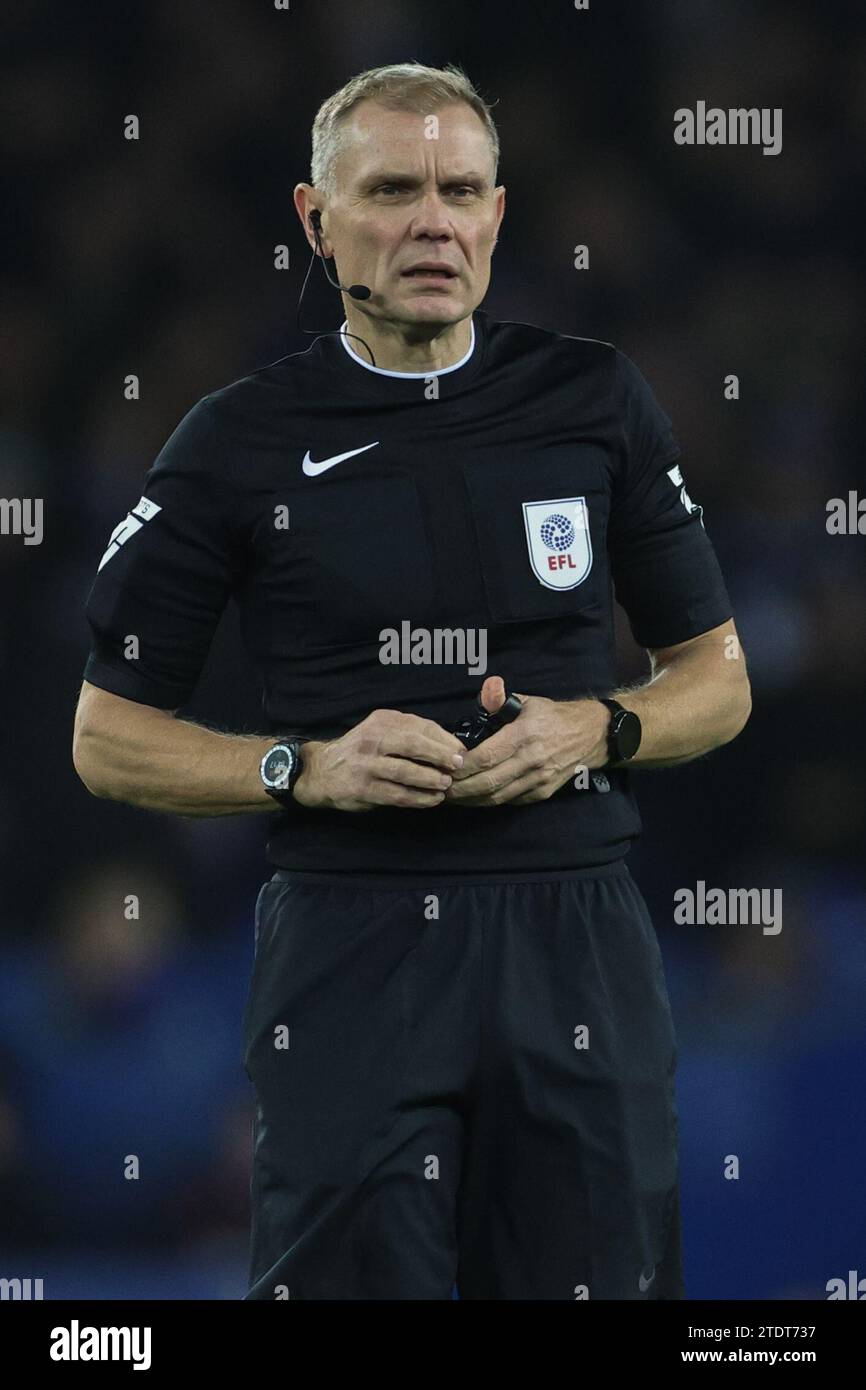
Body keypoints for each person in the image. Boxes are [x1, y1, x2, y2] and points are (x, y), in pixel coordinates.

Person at [72, 61, 751, 1300]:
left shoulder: (592, 397)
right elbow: (106, 733)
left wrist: (596, 728)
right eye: (390, 190)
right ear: (314, 221)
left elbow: (714, 677)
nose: (431, 221)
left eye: (460, 190)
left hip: (573, 937)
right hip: (352, 943)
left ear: (498, 213)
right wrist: (302, 765)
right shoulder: (236, 438)